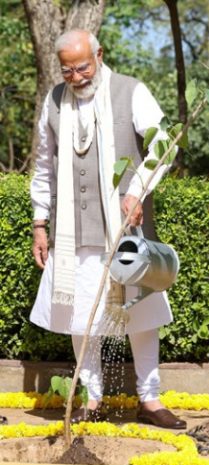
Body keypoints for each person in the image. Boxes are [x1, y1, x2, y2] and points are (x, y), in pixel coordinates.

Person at [29, 29, 185, 429]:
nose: (78, 77)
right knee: (80, 316)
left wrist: (136, 191)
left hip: (124, 232)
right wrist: (39, 223)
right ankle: (92, 397)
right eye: (68, 71)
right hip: (73, 233)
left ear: (99, 55)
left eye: (83, 67)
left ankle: (149, 400)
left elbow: (165, 144)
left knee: (142, 314)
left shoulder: (131, 91)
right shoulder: (53, 102)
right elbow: (44, 166)